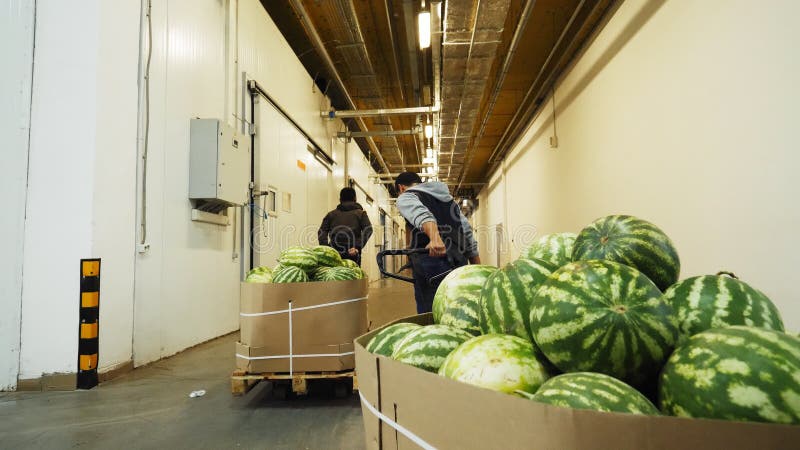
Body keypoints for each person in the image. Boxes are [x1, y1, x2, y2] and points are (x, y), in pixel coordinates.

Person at [395, 172, 481, 314]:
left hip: (432, 263)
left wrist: (435, 238)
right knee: (461, 308)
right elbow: (466, 230)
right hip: (459, 262)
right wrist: (477, 267)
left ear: (401, 188)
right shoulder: (449, 201)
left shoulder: (406, 196)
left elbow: (422, 214)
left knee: (432, 311)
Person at [318, 187, 373, 266]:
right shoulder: (360, 214)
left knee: (334, 276)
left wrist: (326, 249)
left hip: (334, 252)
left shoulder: (331, 214)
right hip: (353, 252)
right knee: (352, 275)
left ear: (340, 199)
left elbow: (322, 231)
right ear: (355, 199)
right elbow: (368, 229)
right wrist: (357, 246)